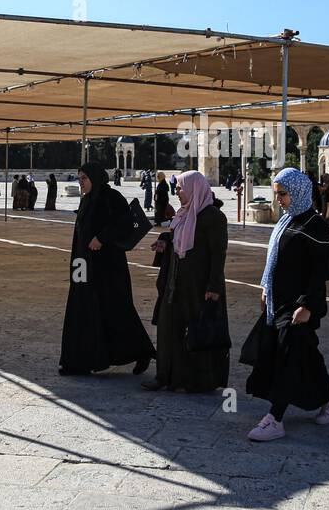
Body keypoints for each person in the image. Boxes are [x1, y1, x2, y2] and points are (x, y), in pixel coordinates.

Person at [244, 167, 329, 442]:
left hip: (299, 305)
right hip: (280, 301)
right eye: (277, 194)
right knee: (305, 352)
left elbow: (319, 271)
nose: (279, 200)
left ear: (298, 191)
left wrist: (308, 304)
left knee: (287, 357)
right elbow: (275, 258)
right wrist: (266, 287)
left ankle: (275, 418)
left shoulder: (315, 225)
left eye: (283, 194)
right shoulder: (287, 220)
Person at [59, 161, 155, 376]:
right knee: (84, 310)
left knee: (116, 311)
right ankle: (81, 361)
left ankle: (141, 351)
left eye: (84, 178)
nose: (81, 183)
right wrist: (77, 268)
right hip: (84, 265)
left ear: (95, 177)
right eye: (79, 179)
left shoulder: (112, 198)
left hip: (109, 268)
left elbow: (126, 223)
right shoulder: (86, 201)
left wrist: (102, 237)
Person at [145, 171, 229, 393]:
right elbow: (177, 239)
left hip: (198, 287)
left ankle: (196, 380)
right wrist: (164, 242)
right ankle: (165, 376)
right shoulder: (183, 214)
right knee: (167, 328)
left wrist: (214, 287)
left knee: (196, 331)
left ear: (194, 189)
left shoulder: (213, 217)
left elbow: (218, 254)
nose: (177, 192)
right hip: (175, 283)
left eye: (181, 188)